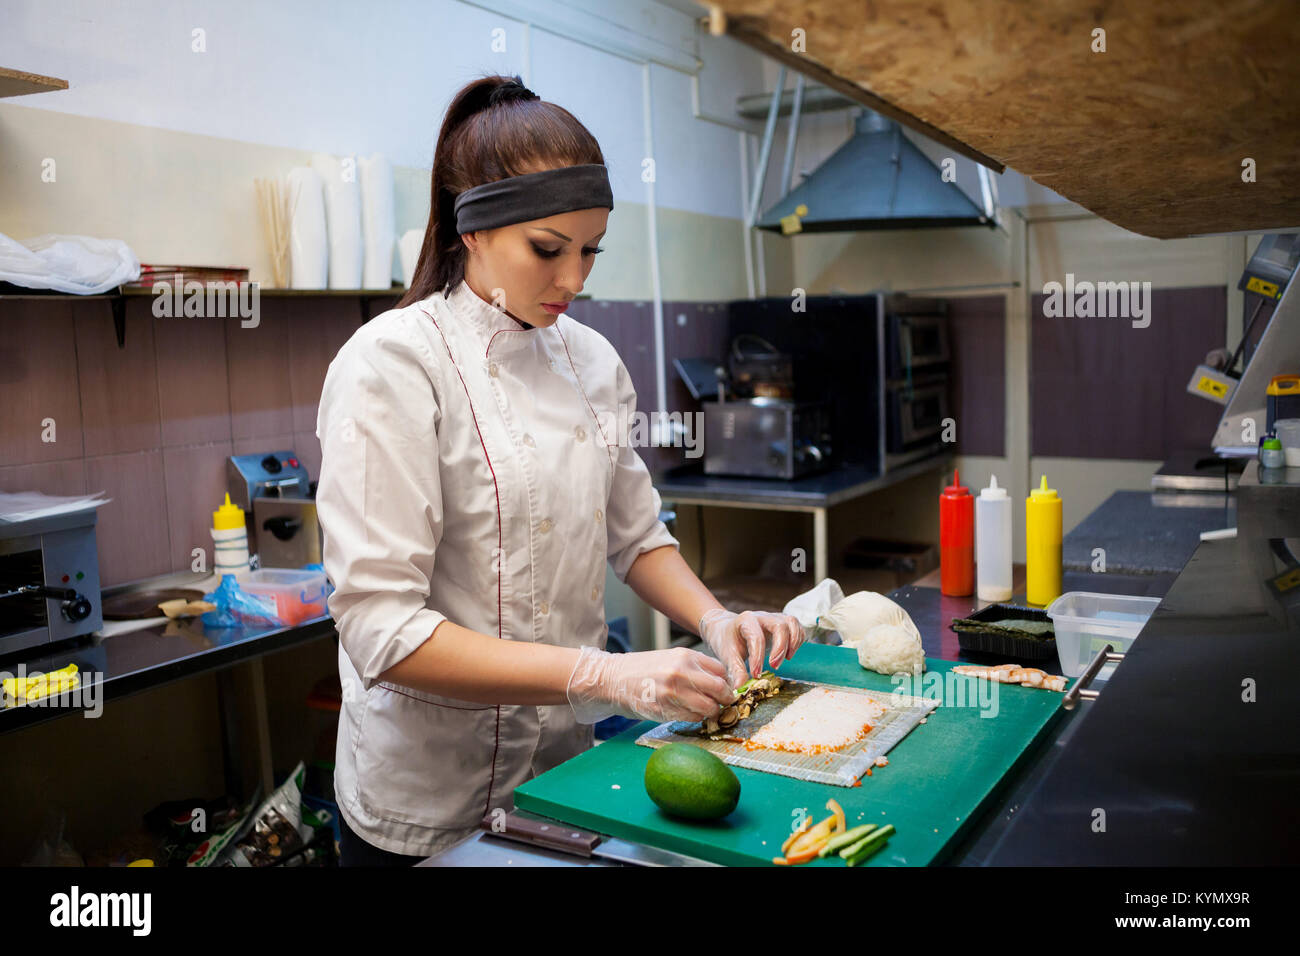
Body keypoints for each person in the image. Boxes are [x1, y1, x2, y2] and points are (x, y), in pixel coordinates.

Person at [315, 74, 806, 867]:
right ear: (470, 229)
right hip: (424, 801)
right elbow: (383, 632)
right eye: (548, 250)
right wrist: (606, 675)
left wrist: (715, 621)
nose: (575, 281)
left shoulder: (592, 362)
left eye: (589, 251)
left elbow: (638, 536)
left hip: (563, 781)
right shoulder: (393, 365)